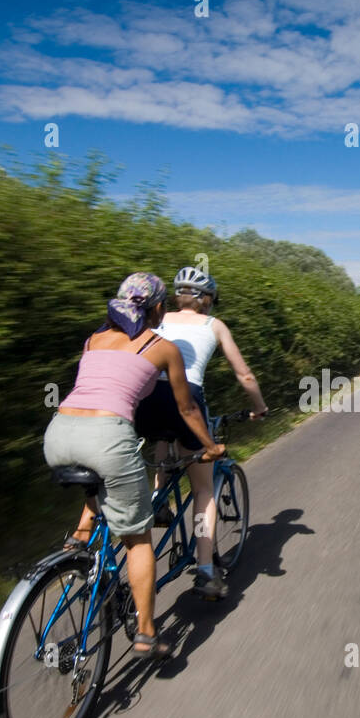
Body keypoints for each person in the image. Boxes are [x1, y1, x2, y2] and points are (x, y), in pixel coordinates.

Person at [44, 272, 224, 660]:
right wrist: (210, 446)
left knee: (102, 491)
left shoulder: (92, 339)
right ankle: (145, 633)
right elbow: (187, 408)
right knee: (138, 538)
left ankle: (78, 545)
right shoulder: (163, 347)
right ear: (158, 307)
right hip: (106, 438)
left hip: (58, 434)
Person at [134, 266, 267, 599]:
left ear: (177, 296)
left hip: (145, 398)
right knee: (203, 489)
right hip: (186, 398)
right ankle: (206, 569)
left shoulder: (158, 319)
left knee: (163, 433)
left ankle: (157, 498)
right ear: (207, 300)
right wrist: (260, 407)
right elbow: (245, 375)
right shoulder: (214, 325)